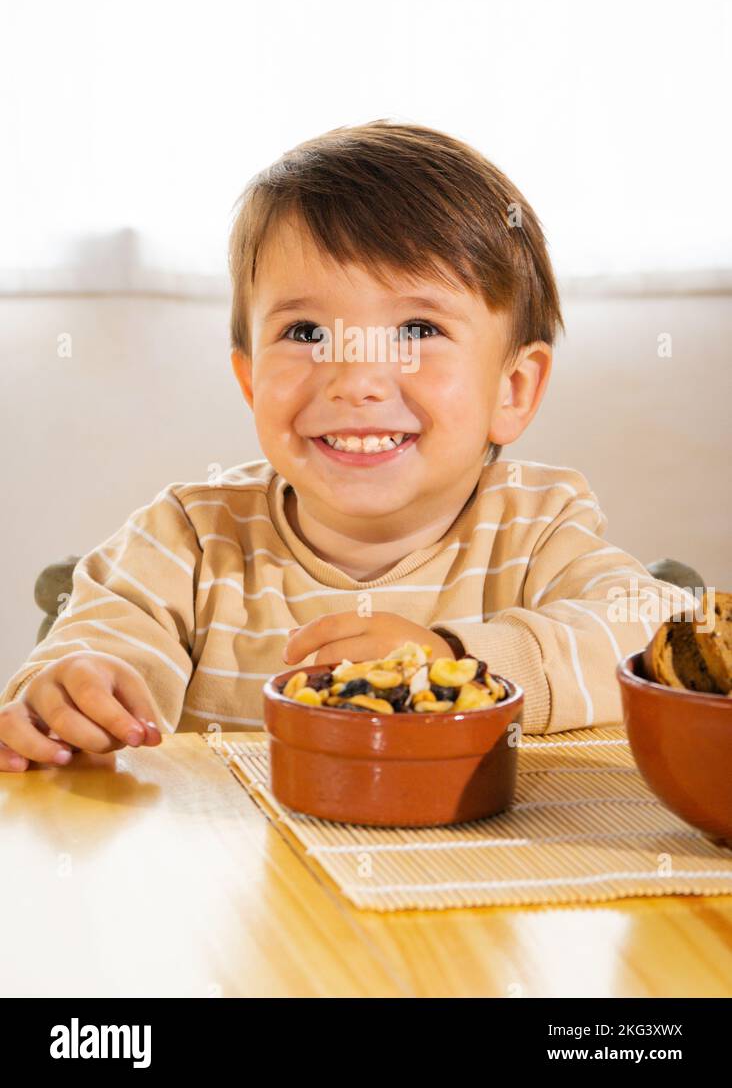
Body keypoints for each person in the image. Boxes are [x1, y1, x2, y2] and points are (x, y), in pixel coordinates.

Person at [0, 119, 695, 769]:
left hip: (470, 881)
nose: (357, 378)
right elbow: (95, 651)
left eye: (418, 329)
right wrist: (74, 695)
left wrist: (459, 657)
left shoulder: (537, 529)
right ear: (249, 377)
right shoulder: (187, 541)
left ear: (512, 389)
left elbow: (660, 634)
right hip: (246, 889)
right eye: (306, 334)